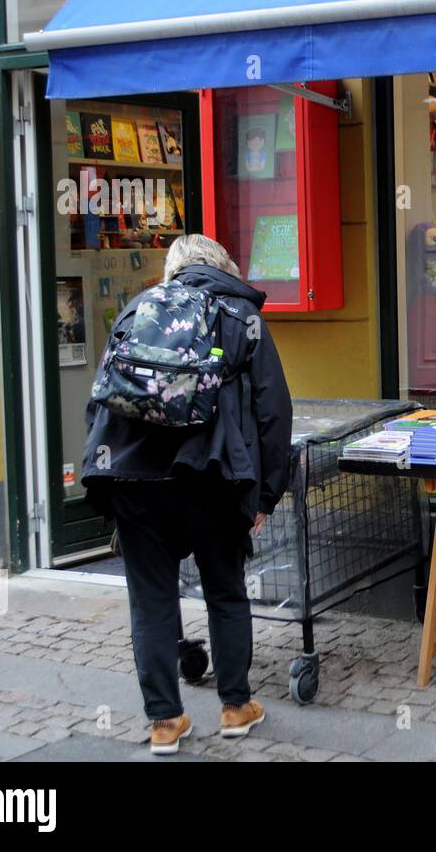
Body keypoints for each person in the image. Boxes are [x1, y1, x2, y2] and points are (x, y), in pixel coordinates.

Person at [82, 234, 292, 755]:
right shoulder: (242, 316)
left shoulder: (138, 309)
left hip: (134, 480)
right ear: (222, 266)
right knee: (224, 590)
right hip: (211, 478)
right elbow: (272, 411)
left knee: (150, 600)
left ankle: (164, 722)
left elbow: (102, 402)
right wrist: (265, 495)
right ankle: (236, 706)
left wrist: (104, 479)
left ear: (171, 269)